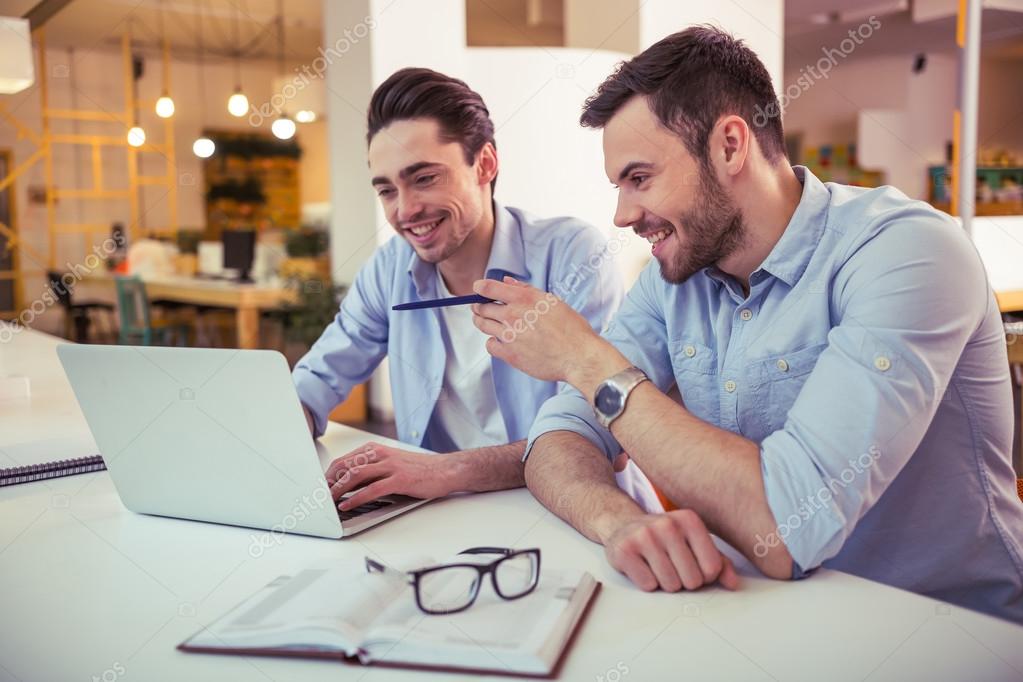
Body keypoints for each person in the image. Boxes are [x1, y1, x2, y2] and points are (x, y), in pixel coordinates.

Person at [471, 26, 1023, 622]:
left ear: (730, 145)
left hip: (948, 634)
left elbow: (790, 525)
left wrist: (584, 358)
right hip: (763, 617)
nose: (623, 214)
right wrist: (619, 522)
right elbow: (557, 438)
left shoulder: (908, 251)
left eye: (640, 178)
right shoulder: (674, 279)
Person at [293, 67, 661, 514]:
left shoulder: (571, 255)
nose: (405, 210)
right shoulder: (390, 268)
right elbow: (316, 380)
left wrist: (442, 472)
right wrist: (279, 424)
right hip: (446, 516)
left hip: (579, 512)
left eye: (424, 178)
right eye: (387, 190)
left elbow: (596, 431)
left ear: (485, 164)